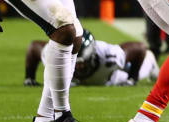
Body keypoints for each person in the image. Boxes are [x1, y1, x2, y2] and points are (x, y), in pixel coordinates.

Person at [25, 31, 159, 87]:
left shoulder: (110, 55)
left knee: (140, 72)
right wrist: (29, 78)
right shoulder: (55, 54)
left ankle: (150, 61)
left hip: (110, 77)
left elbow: (140, 48)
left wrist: (132, 79)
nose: (79, 67)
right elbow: (34, 47)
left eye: (82, 63)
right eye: (75, 63)